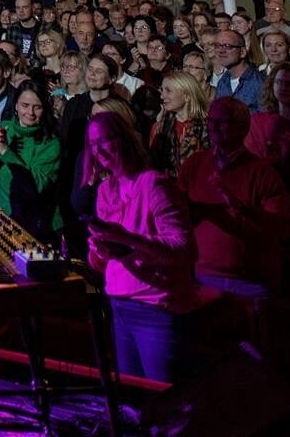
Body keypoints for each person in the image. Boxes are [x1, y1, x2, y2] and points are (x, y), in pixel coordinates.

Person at [85, 109, 206, 384]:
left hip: (157, 308)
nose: (99, 150)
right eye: (93, 144)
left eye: (104, 140)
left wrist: (127, 238)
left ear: (123, 140)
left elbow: (185, 249)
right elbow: (107, 263)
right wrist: (100, 251)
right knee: (133, 398)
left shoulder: (154, 185)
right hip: (120, 303)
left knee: (163, 400)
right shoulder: (106, 190)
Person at [178, 97, 290, 299]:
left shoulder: (262, 172)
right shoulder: (194, 165)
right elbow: (178, 216)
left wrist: (241, 208)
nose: (213, 127)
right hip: (203, 274)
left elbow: (281, 226)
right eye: (211, 121)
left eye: (222, 122)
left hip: (250, 280)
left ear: (242, 128)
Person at [0, 86, 62, 237]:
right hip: (5, 220)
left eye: (37, 107)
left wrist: (6, 152)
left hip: (37, 225)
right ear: (15, 105)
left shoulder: (50, 143)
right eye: (25, 106)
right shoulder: (4, 128)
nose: (30, 113)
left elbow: (34, 187)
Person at [148, 71, 209, 175]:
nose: (162, 96)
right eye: (162, 90)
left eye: (168, 91)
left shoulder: (208, 127)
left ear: (187, 96)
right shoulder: (159, 128)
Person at [210, 30, 264, 112]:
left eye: (227, 46)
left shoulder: (260, 83)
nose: (221, 51)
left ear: (242, 52)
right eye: (217, 46)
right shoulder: (223, 82)